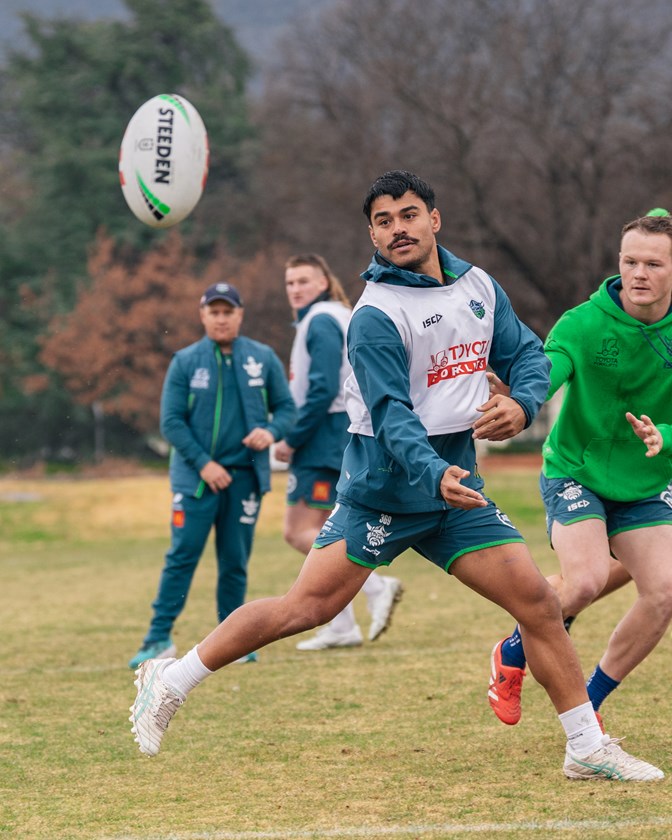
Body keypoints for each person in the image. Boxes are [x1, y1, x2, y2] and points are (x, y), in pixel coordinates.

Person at [129, 170, 662, 781]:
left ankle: (585, 747)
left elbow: (526, 356)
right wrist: (433, 473)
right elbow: (390, 416)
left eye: (408, 215)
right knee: (305, 608)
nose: (398, 228)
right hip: (387, 487)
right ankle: (170, 678)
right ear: (373, 236)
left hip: (452, 491)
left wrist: (521, 402)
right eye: (383, 221)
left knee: (540, 603)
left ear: (434, 220)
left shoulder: (478, 285)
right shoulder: (376, 314)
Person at [487, 212, 672, 733]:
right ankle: (511, 650)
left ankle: (590, 702)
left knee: (664, 593)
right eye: (630, 261)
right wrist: (521, 402)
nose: (638, 273)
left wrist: (666, 436)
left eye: (653, 264)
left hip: (644, 484)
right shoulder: (583, 322)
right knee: (586, 580)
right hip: (576, 471)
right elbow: (549, 368)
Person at [127, 282, 295, 669]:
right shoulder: (186, 361)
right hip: (197, 478)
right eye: (214, 312)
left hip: (245, 479)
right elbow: (171, 422)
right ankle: (157, 638)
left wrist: (271, 431)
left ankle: (232, 641)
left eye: (228, 311)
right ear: (203, 315)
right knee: (182, 556)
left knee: (235, 560)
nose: (221, 318)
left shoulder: (262, 357)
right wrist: (204, 463)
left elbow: (287, 408)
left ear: (240, 314)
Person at [274, 253, 403, 650]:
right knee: (327, 529)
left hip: (324, 436)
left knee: (299, 530)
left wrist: (292, 438)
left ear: (324, 283)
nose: (295, 289)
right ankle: (343, 624)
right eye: (290, 282)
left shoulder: (321, 321)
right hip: (343, 431)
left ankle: (375, 588)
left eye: (304, 281)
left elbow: (321, 388)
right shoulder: (337, 314)